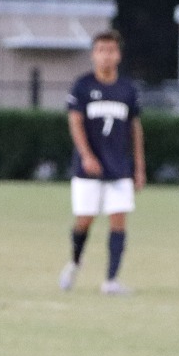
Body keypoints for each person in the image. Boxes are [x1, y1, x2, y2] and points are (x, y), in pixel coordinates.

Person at [59, 30, 144, 295]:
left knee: (118, 220)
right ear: (93, 54)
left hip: (119, 168)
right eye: (101, 50)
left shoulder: (128, 89)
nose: (106, 55)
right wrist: (86, 155)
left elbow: (135, 128)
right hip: (88, 169)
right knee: (85, 220)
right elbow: (75, 122)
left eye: (111, 50)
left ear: (118, 55)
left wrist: (139, 167)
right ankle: (74, 261)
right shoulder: (82, 86)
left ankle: (111, 280)